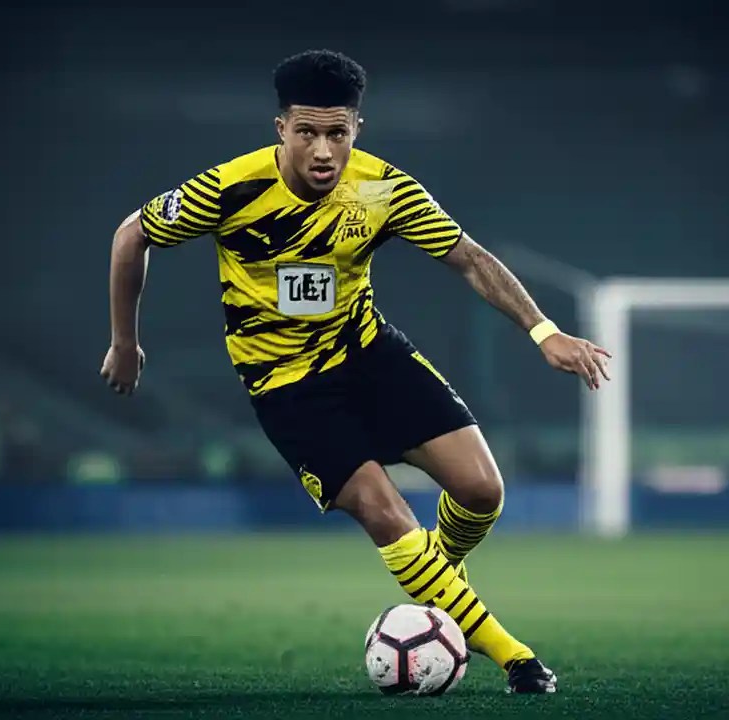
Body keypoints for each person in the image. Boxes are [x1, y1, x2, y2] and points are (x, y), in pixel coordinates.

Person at [102, 49, 611, 694]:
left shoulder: (380, 188)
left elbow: (470, 258)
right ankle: (516, 658)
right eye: (306, 132)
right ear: (281, 128)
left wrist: (544, 330)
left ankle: (435, 583)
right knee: (384, 510)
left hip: (368, 354)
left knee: (483, 491)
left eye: (336, 134)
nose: (322, 151)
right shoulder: (229, 188)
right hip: (285, 383)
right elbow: (131, 235)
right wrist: (125, 342)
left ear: (356, 130)